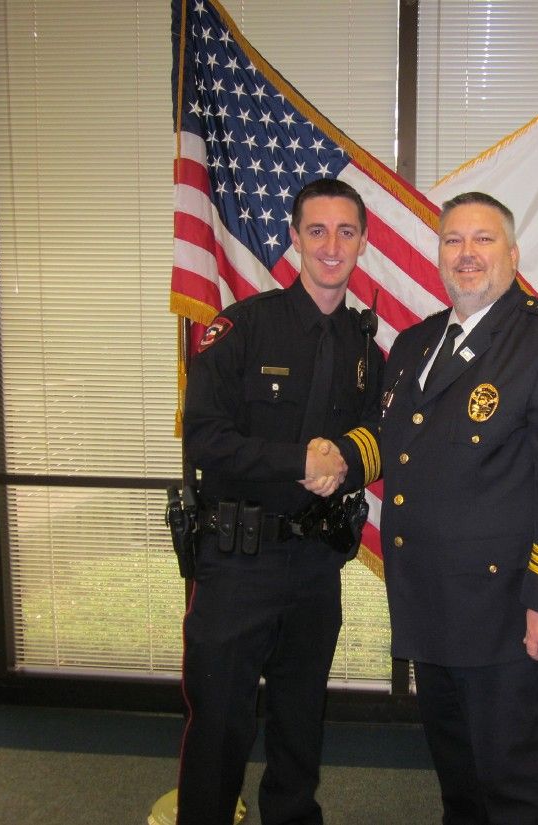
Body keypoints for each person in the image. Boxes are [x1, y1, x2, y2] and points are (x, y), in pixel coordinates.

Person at [376, 191, 538, 824]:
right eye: (454, 240)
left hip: (516, 623)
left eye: (483, 240)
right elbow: (398, 450)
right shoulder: (415, 345)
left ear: (513, 255)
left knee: (518, 793)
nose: (467, 254)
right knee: (461, 788)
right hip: (436, 613)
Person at [176, 177, 383, 825]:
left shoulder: (365, 350)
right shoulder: (240, 327)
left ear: (362, 243)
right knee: (219, 725)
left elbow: (380, 432)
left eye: (345, 232)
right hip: (238, 562)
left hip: (316, 564)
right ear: (294, 239)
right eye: (316, 230)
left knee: (300, 723)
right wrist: (299, 460)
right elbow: (205, 441)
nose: (331, 245)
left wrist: (344, 458)